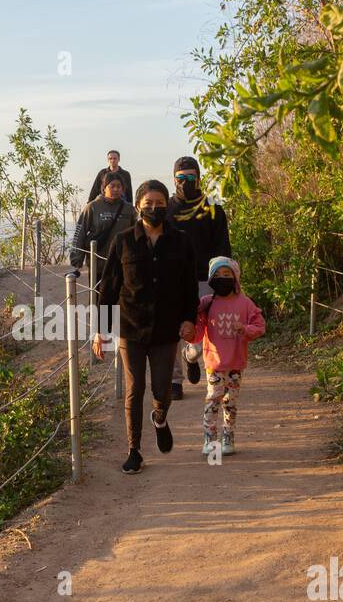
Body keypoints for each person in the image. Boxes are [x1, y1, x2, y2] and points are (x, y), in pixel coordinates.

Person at [94, 180, 198, 474]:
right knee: (134, 388)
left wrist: (190, 319)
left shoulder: (181, 241)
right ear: (138, 205)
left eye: (160, 203)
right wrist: (100, 331)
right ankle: (134, 450)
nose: (154, 208)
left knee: (162, 388)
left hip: (166, 329)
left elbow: (190, 286)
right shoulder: (124, 241)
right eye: (149, 203)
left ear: (167, 204)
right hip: (131, 327)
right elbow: (110, 288)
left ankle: (160, 419)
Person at [166, 155, 231, 400]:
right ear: (174, 179)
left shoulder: (213, 208)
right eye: (181, 178)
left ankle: (193, 357)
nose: (185, 182)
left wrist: (226, 279)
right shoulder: (167, 210)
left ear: (199, 178)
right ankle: (174, 381)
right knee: (175, 332)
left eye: (190, 177)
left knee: (206, 333)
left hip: (206, 278)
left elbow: (223, 246)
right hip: (173, 281)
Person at [190, 256, 265, 457]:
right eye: (217, 275)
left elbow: (260, 327)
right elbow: (197, 333)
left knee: (230, 402)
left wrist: (245, 329)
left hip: (236, 364)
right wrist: (190, 326)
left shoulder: (246, 303)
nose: (222, 278)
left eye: (227, 274)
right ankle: (209, 438)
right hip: (214, 363)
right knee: (213, 398)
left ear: (236, 278)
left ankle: (228, 436)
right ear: (211, 279)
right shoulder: (206, 303)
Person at [69, 171, 134, 270]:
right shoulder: (93, 207)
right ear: (104, 188)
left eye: (119, 186)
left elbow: (136, 232)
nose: (116, 189)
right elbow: (80, 232)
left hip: (121, 263)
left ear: (123, 189)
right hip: (98, 264)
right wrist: (76, 262)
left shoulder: (129, 209)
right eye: (112, 186)